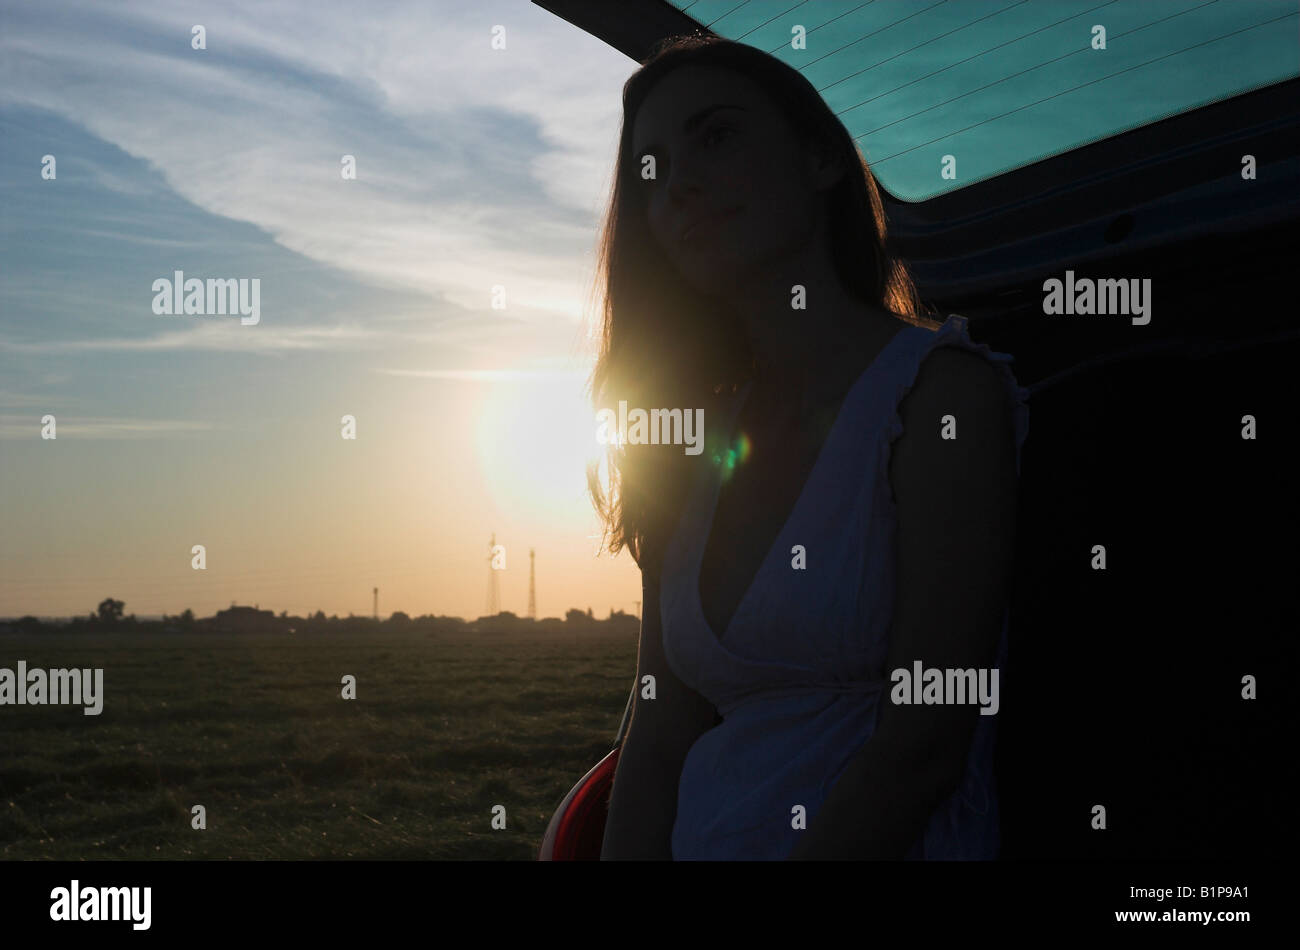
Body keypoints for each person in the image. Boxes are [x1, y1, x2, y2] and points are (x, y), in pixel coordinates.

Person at [591, 34, 1029, 860]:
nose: (679, 182)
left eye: (717, 135)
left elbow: (924, 745)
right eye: (652, 169)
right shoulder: (685, 442)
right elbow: (658, 731)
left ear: (821, 157)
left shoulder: (939, 395)